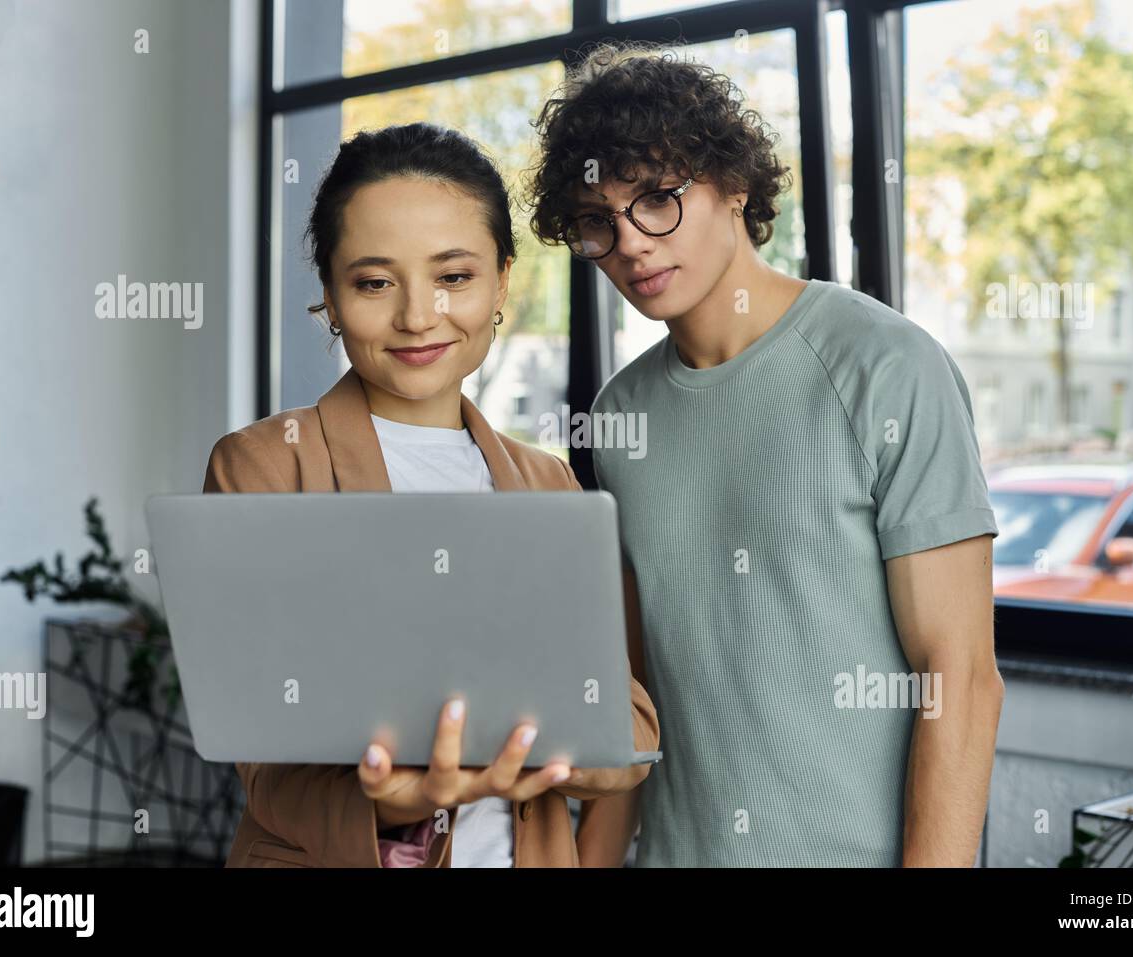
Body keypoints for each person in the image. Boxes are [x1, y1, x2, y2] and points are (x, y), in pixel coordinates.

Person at [526, 44, 1003, 867]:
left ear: (735, 184)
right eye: (598, 220)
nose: (631, 243)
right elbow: (640, 700)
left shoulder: (883, 367)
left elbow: (958, 679)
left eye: (658, 199)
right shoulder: (619, 416)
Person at [204, 122, 659, 868]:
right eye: (375, 282)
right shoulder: (263, 468)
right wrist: (392, 803)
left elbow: (631, 736)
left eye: (454, 276)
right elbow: (264, 763)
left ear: (503, 281)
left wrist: (523, 739)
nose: (418, 316)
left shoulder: (548, 484)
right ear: (329, 292)